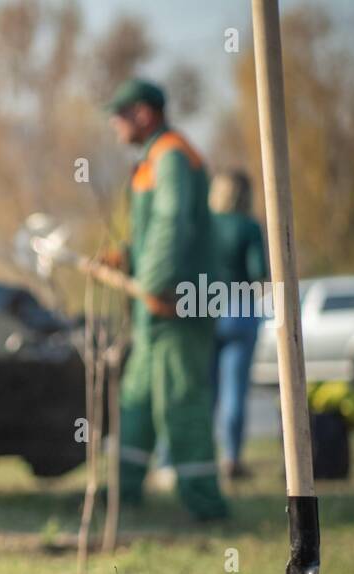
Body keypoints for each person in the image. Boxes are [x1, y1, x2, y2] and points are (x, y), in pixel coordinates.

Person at [103, 78, 228, 521]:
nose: (114, 124)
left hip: (178, 301)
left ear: (144, 113)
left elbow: (173, 223)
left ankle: (206, 505)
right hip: (156, 305)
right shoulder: (153, 159)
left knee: (180, 400)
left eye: (119, 114)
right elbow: (154, 230)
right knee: (136, 399)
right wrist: (127, 257)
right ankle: (121, 494)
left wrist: (154, 284)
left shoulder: (172, 155)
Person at [209, 170, 268, 480]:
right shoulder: (249, 226)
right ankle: (231, 459)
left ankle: (200, 459)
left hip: (202, 309)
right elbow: (259, 270)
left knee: (206, 392)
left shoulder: (204, 223)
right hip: (240, 309)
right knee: (235, 391)